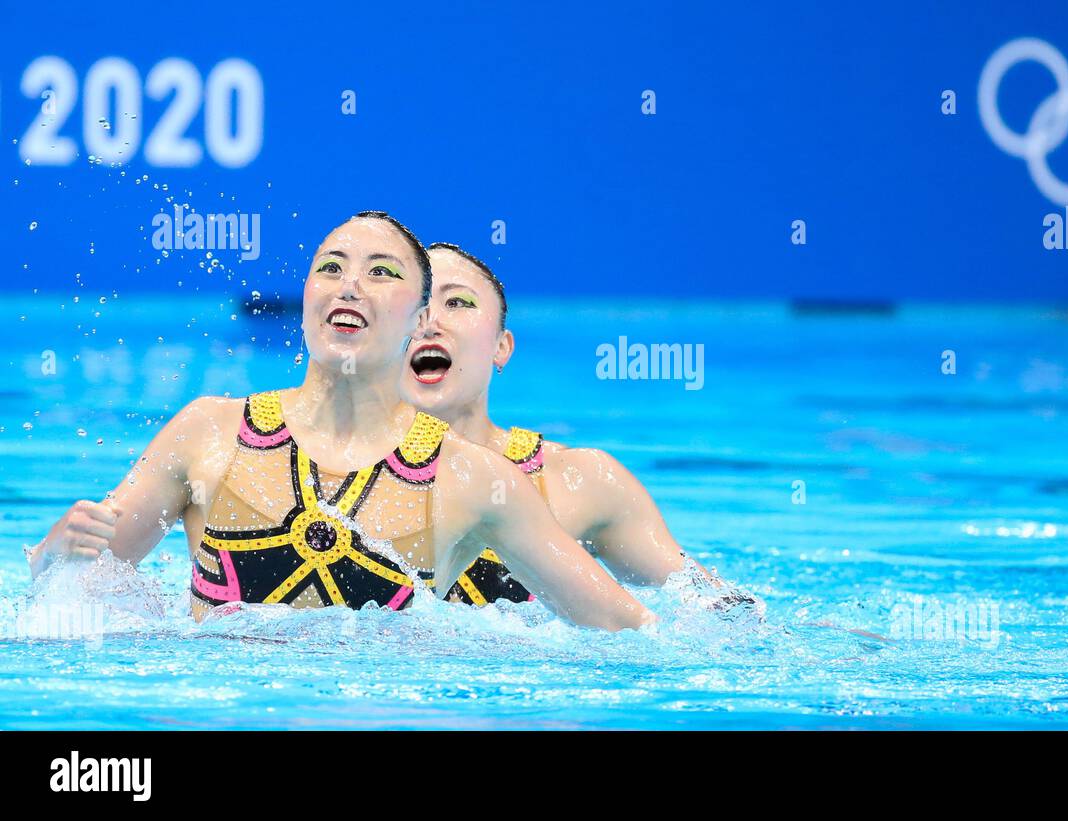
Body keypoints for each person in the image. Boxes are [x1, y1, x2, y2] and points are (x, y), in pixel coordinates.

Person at [27, 213, 654, 632]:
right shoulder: (207, 432)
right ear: (305, 301)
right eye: (330, 267)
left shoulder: (475, 479)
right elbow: (66, 600)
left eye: (382, 272)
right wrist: (55, 553)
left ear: (419, 322)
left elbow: (636, 640)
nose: (350, 284)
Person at [401, 243, 727, 606]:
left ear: (501, 347)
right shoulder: (329, 477)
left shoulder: (583, 482)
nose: (429, 323)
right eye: (415, 305)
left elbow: (717, 611)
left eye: (457, 303)